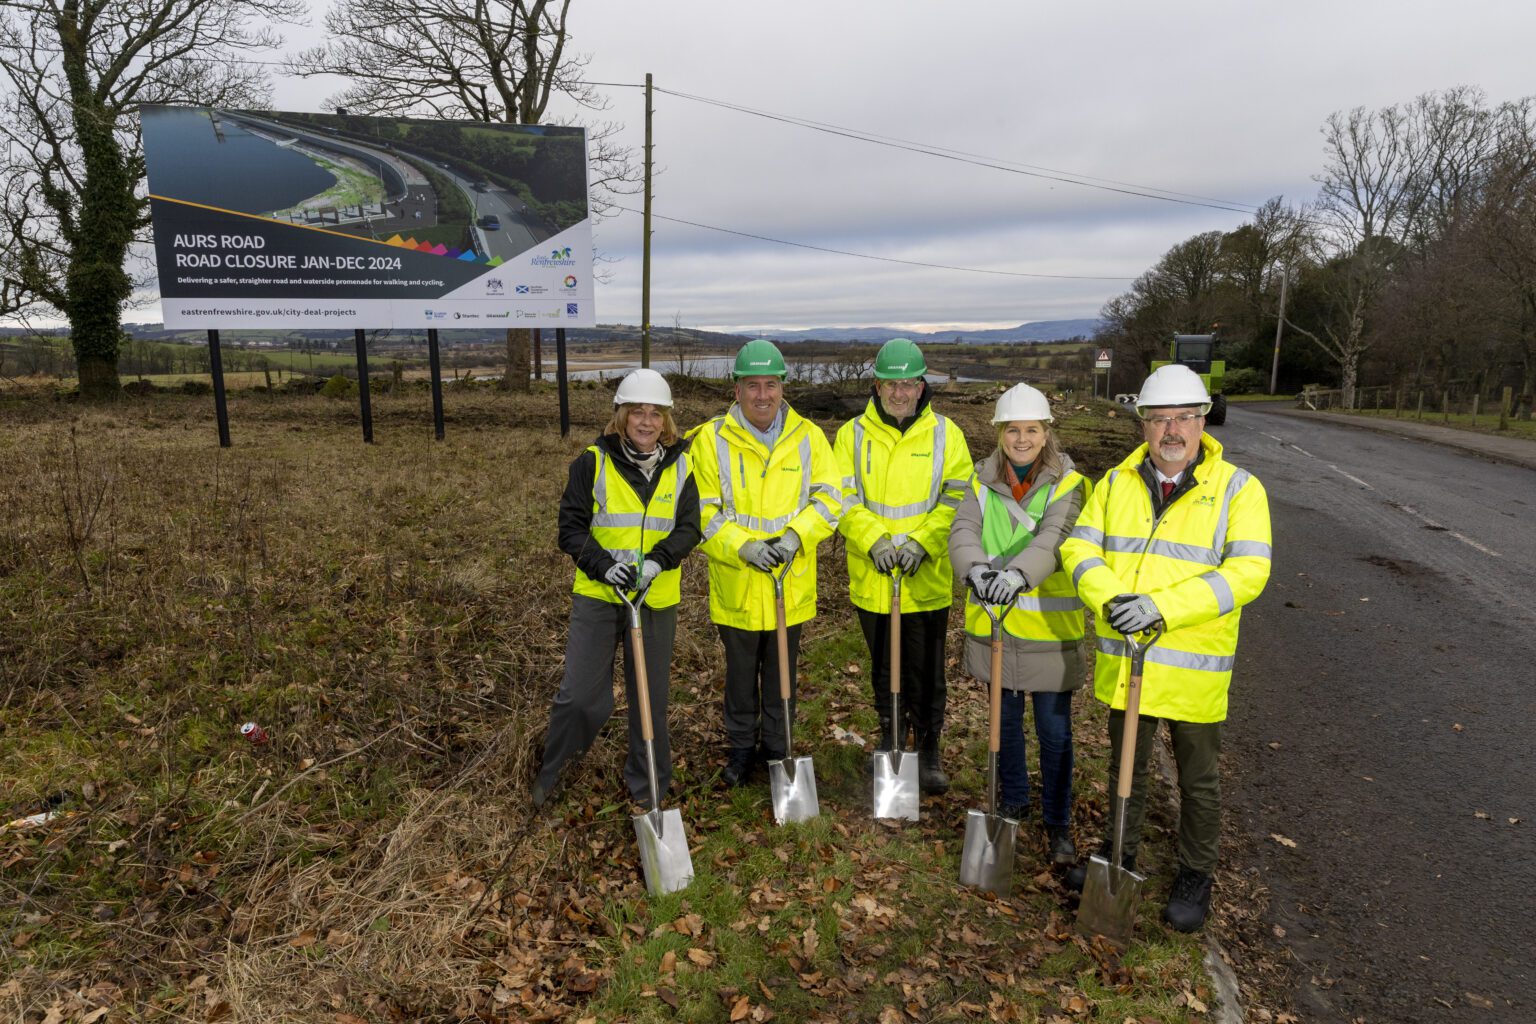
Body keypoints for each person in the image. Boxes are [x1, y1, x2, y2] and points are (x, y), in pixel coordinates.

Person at [1060, 363, 1271, 932]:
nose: (1170, 430)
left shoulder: (1239, 489)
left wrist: (1163, 609)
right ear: (1143, 425)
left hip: (1192, 668)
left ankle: (1196, 874)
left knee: (1197, 779)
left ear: (1203, 421)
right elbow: (1079, 550)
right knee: (1126, 764)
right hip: (1128, 656)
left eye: (1183, 417)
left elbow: (1250, 571)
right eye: (1158, 420)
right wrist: (1111, 601)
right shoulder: (1114, 483)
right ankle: (1118, 856)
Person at [531, 369, 701, 808]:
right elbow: (570, 529)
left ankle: (650, 791)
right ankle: (554, 779)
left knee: (650, 702)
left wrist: (656, 562)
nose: (646, 422)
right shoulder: (592, 462)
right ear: (621, 416)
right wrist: (604, 567)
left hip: (655, 599)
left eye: (656, 414)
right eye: (637, 412)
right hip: (600, 597)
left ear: (666, 421)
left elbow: (688, 529)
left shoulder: (683, 465)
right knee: (582, 697)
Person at [690, 339, 842, 786]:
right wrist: (742, 546)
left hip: (787, 584)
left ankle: (779, 750)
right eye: (752, 385)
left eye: (770, 385)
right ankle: (740, 751)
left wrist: (797, 536)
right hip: (737, 583)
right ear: (736, 390)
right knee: (739, 678)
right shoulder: (709, 439)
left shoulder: (809, 437)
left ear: (782, 388)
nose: (762, 395)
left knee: (781, 675)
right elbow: (699, 511)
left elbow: (831, 500)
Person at [949, 383, 1090, 863]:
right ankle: (1012, 802)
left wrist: (1016, 575)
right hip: (997, 624)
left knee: (1054, 732)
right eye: (1014, 430)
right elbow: (963, 529)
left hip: (1050, 632)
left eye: (1032, 429)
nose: (1023, 439)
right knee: (1004, 723)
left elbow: (1055, 538)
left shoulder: (1071, 484)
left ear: (1047, 431)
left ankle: (1057, 822)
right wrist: (976, 570)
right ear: (999, 433)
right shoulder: (979, 479)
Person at [834, 339, 971, 793]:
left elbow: (958, 497)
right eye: (890, 384)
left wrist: (922, 542)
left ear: (921, 385)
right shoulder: (851, 435)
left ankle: (928, 749)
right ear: (876, 386)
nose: (899, 393)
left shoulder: (945, 435)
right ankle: (892, 738)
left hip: (924, 578)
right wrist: (873, 540)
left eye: (908, 383)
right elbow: (843, 498)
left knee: (927, 670)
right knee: (884, 669)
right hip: (874, 578)